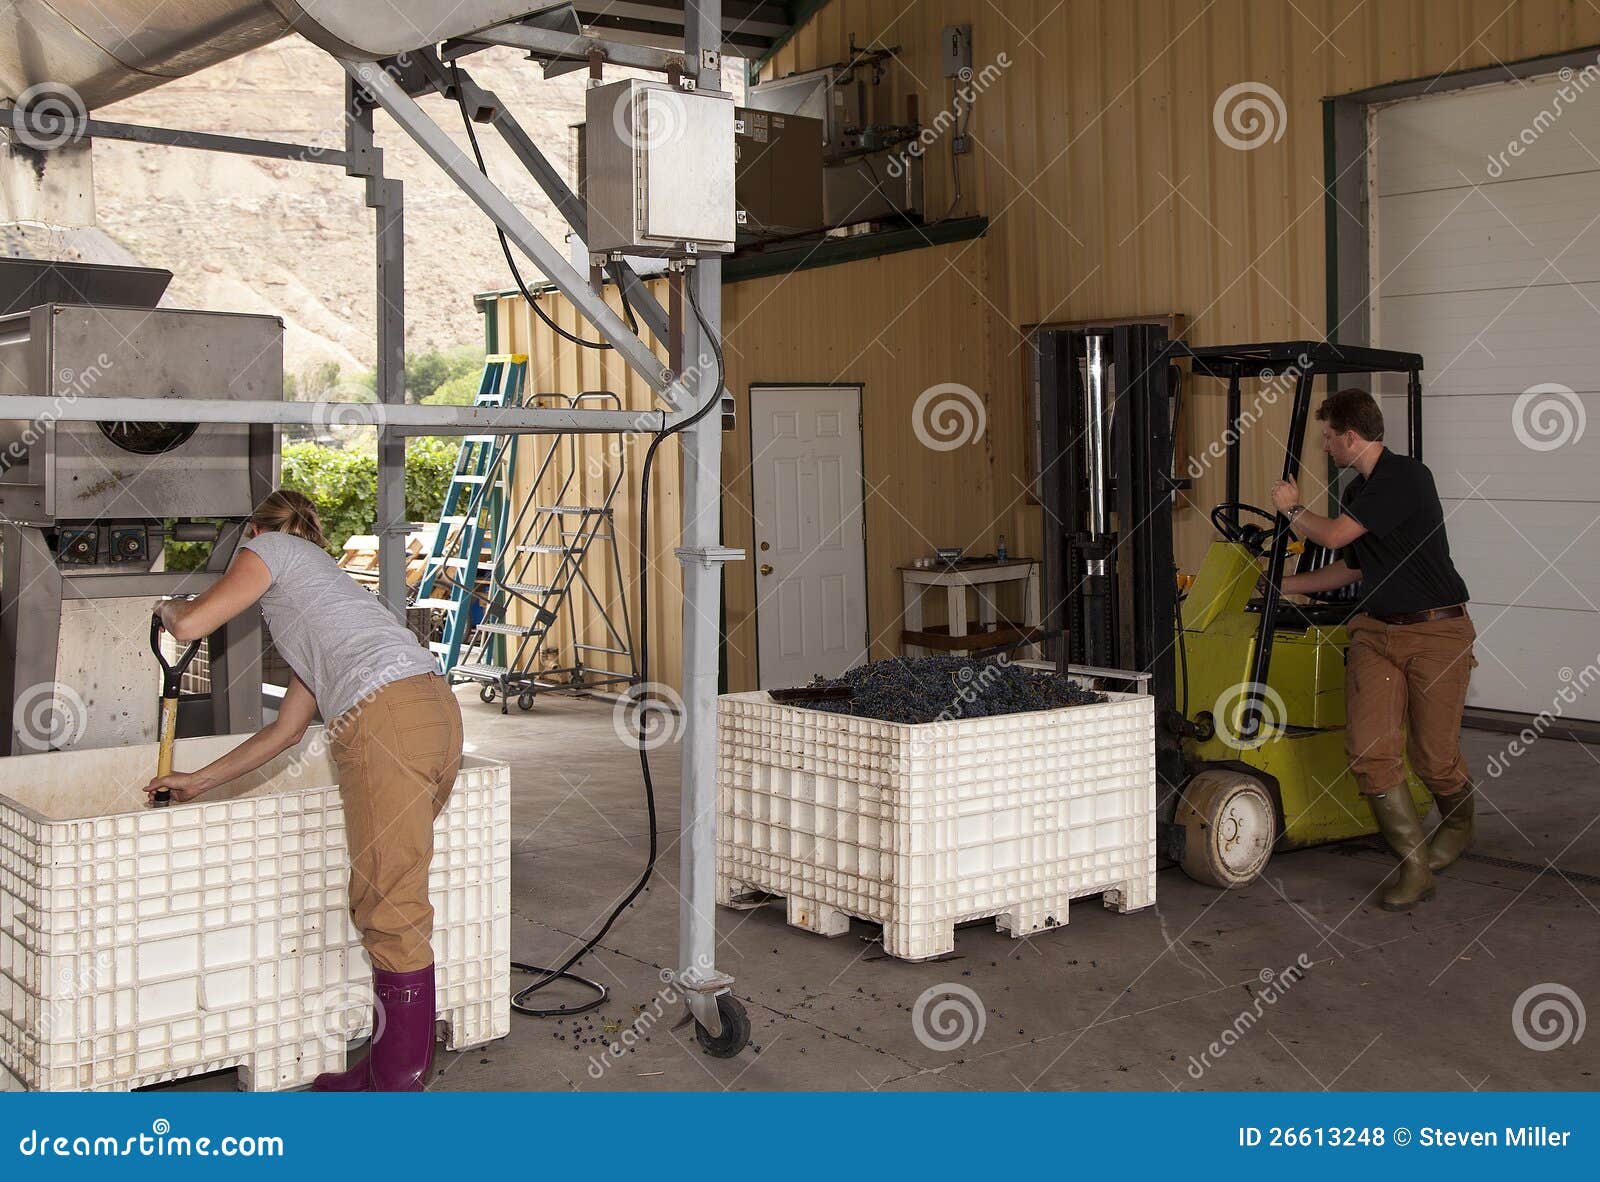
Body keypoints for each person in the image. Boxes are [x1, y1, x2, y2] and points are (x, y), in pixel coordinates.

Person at [145, 489, 463, 1091]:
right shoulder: (323, 602)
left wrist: (166, 605)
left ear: (253, 534)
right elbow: (287, 732)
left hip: (386, 721)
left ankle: (398, 1082)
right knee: (391, 893)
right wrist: (198, 781)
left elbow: (190, 624)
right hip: (434, 713)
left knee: (389, 905)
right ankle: (386, 1068)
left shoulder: (273, 550)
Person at [1266, 387, 1477, 912]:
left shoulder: (1406, 477)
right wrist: (1284, 587)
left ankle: (1458, 824)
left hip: (1435, 633)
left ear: (1351, 436)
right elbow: (1355, 566)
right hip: (1376, 633)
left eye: (1329, 439)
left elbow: (1335, 537)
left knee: (1434, 757)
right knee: (1369, 750)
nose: (1327, 449)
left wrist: (1293, 512)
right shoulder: (1361, 495)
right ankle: (1414, 867)